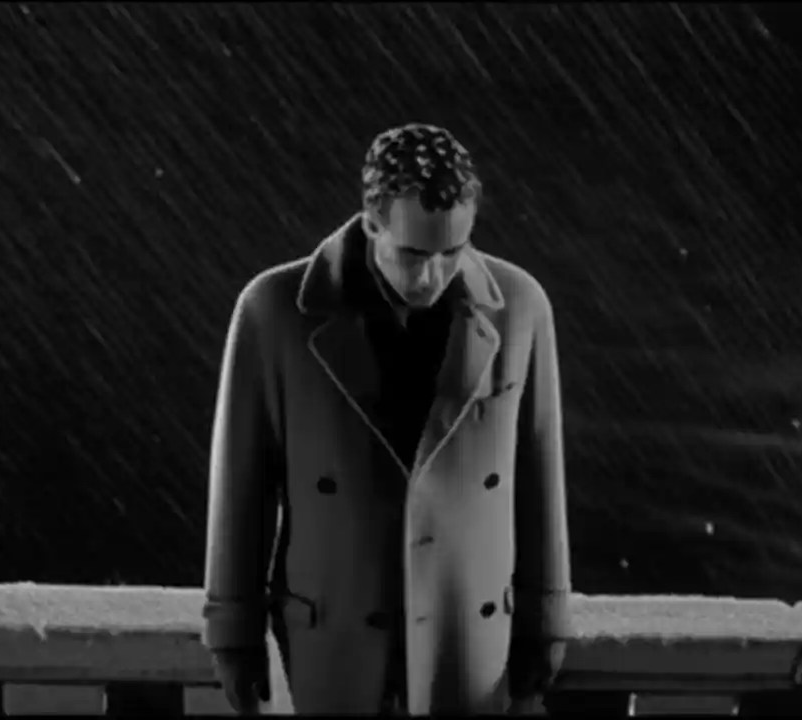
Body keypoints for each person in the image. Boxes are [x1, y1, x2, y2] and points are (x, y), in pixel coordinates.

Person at [201, 122, 571, 715]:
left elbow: (539, 470)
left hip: (466, 627)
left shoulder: (521, 306)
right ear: (371, 222)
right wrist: (232, 629)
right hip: (334, 627)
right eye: (414, 254)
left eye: (453, 252)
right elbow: (241, 486)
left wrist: (548, 616)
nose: (432, 276)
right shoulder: (272, 310)